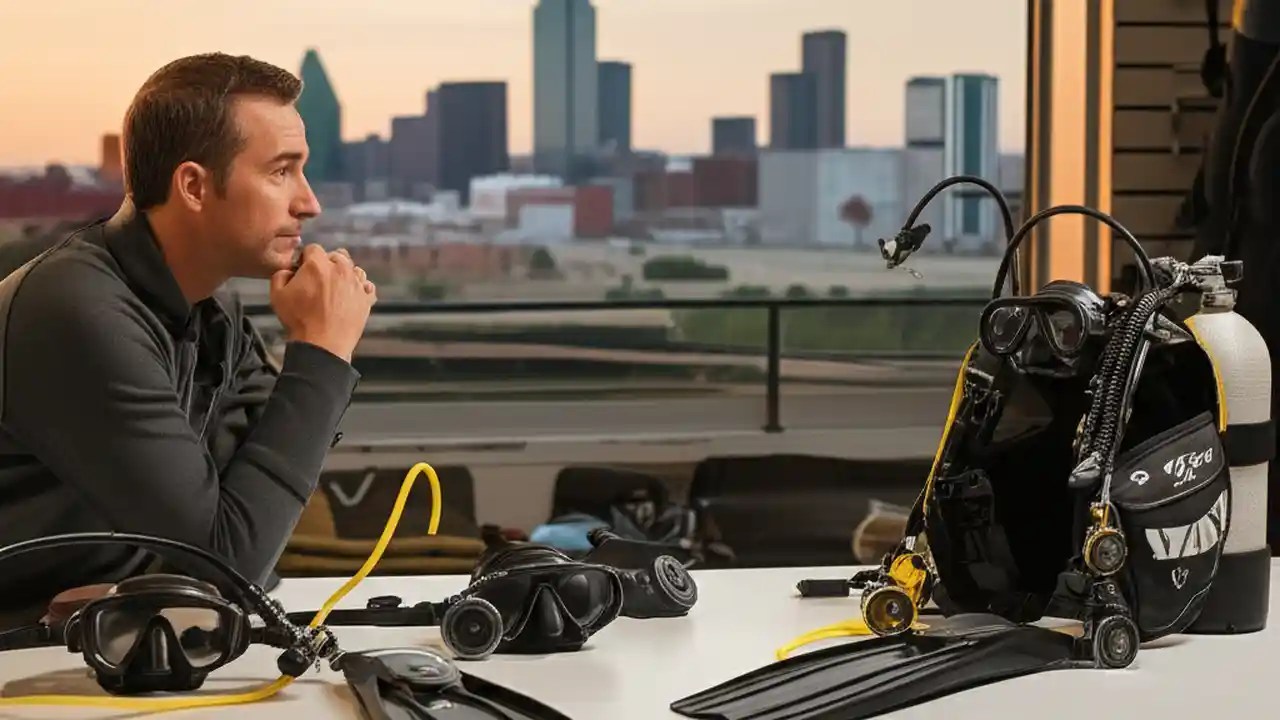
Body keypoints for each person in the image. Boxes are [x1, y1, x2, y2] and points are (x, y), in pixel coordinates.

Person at [0, 52, 376, 624]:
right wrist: (322, 350)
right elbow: (229, 561)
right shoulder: (77, 312)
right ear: (195, 187)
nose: (309, 202)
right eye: (281, 171)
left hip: (113, 637)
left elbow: (261, 508)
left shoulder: (210, 306)